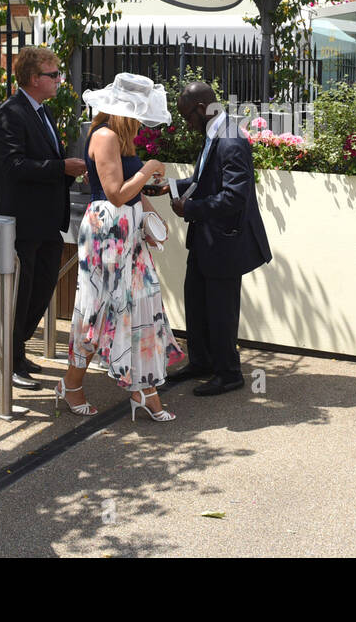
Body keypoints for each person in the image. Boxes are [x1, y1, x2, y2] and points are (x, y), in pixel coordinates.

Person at [56, 73, 185, 421]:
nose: (143, 119)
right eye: (140, 110)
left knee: (143, 303)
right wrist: (147, 169)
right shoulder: (105, 135)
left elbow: (131, 190)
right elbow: (114, 192)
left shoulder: (121, 137)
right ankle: (71, 384)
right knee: (97, 308)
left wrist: (151, 212)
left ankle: (144, 389)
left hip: (127, 229)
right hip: (106, 230)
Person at [0, 46, 86, 390]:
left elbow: (44, 161)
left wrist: (68, 171)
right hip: (23, 222)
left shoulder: (42, 112)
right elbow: (13, 167)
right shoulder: (9, 113)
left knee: (42, 289)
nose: (59, 80)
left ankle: (16, 351)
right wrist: (63, 167)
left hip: (46, 221)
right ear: (34, 78)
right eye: (54, 74)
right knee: (21, 293)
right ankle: (10, 361)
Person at [165, 83, 272, 396]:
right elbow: (203, 181)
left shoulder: (230, 139)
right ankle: (202, 362)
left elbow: (234, 197)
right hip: (206, 239)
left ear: (201, 108)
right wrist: (170, 187)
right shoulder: (215, 132)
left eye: (187, 117)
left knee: (222, 311)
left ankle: (228, 373)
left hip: (225, 242)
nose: (186, 124)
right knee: (196, 303)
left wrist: (191, 207)